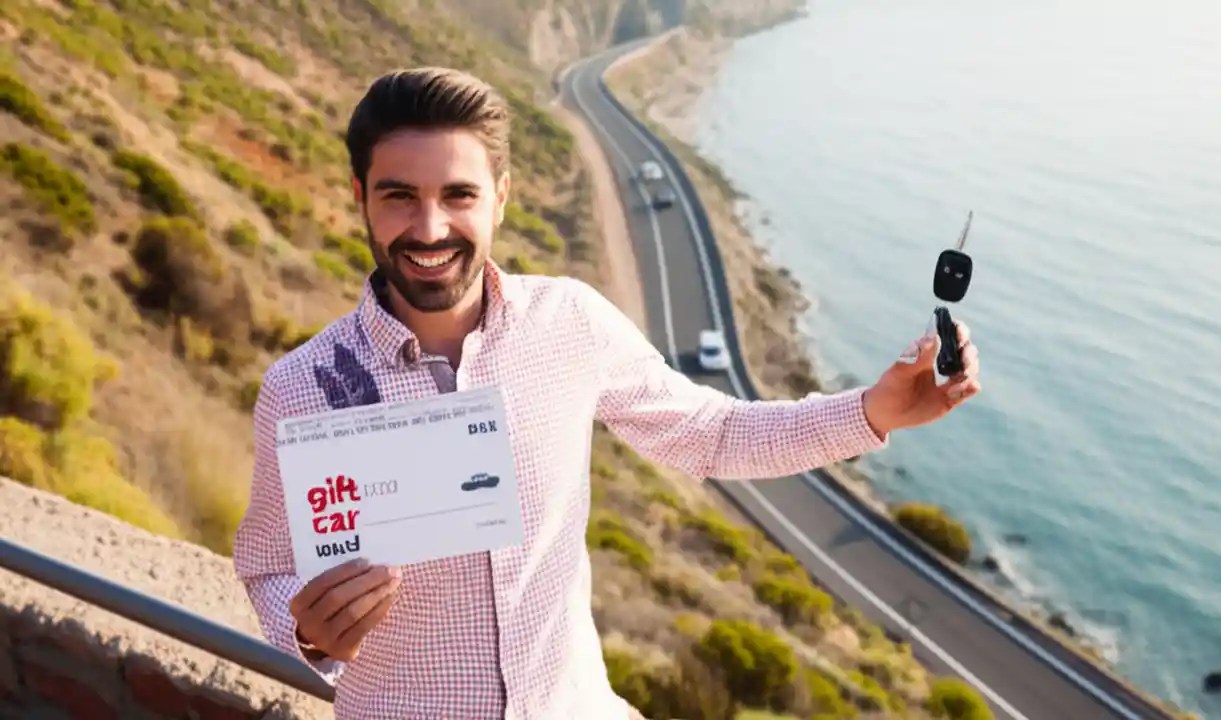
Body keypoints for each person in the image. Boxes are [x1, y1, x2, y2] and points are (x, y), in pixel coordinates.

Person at [232, 66, 981, 720]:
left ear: (501, 199)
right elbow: (267, 565)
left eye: (458, 195)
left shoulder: (571, 322)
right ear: (360, 197)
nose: (429, 228)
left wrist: (873, 411)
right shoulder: (300, 389)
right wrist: (307, 632)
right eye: (399, 197)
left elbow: (713, 434)